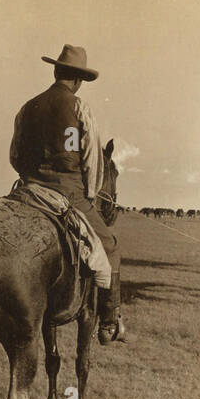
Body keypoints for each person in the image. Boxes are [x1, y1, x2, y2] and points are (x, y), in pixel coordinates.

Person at [9, 44, 125, 344]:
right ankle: (110, 322)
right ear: (78, 80)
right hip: (67, 192)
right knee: (110, 245)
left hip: (28, 190)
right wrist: (87, 194)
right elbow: (92, 160)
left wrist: (31, 176)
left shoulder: (27, 107)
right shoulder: (79, 108)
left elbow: (14, 156)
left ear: (56, 71)